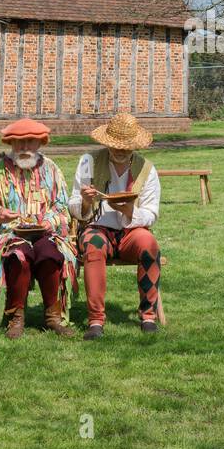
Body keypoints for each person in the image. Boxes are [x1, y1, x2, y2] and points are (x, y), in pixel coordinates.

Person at [0, 118, 76, 339]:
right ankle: (16, 317)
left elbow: (62, 205)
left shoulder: (52, 170)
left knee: (50, 253)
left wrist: (49, 221)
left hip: (45, 232)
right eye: (18, 142)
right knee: (19, 254)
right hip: (8, 234)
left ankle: (53, 317)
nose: (24, 148)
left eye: (30, 142)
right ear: (10, 143)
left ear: (40, 143)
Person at [67, 113, 162, 340]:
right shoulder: (88, 161)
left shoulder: (147, 169)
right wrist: (87, 202)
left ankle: (148, 315)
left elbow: (151, 213)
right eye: (115, 146)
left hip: (131, 230)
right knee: (93, 244)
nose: (119, 151)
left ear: (135, 146)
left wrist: (129, 211)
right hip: (97, 227)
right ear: (106, 142)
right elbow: (73, 205)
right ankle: (96, 320)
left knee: (148, 243)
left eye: (126, 148)